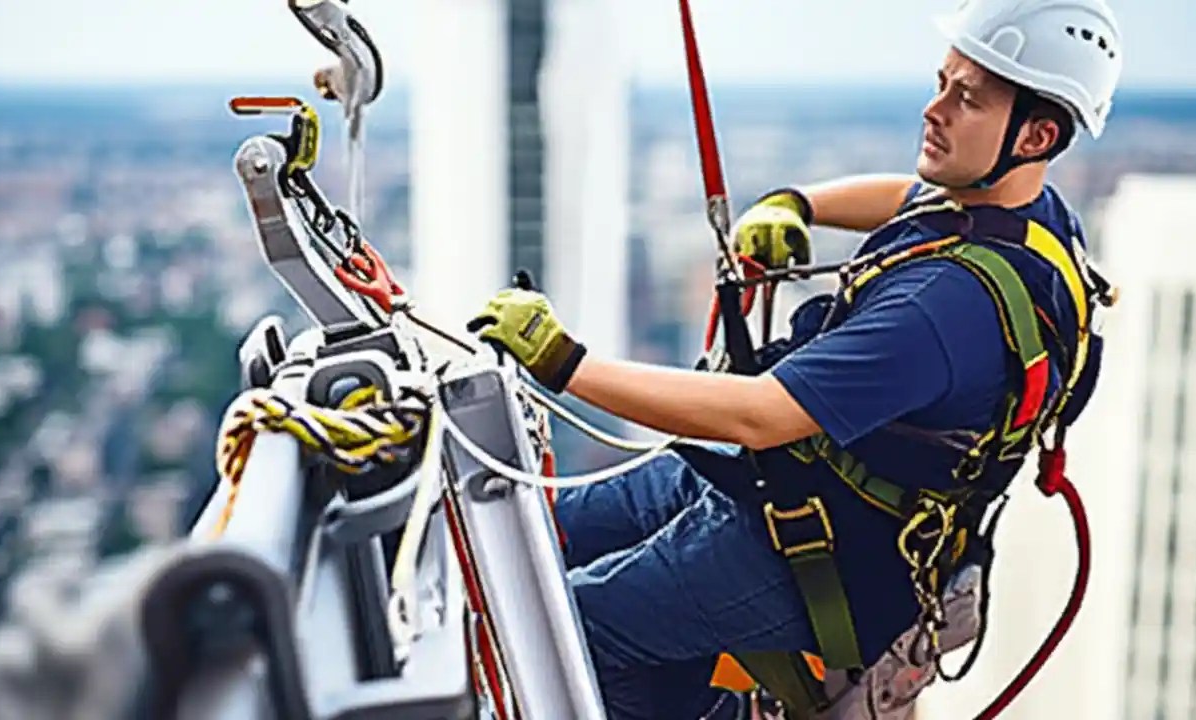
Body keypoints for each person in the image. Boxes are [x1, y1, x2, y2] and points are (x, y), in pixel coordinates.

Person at [465, 1, 1123, 717]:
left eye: (966, 98)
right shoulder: (1030, 221)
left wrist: (565, 362)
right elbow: (908, 198)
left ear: (1036, 134)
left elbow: (760, 414)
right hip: (781, 487)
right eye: (943, 82)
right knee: (541, 532)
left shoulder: (945, 309)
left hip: (816, 550)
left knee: (573, 626)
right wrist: (797, 203)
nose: (934, 110)